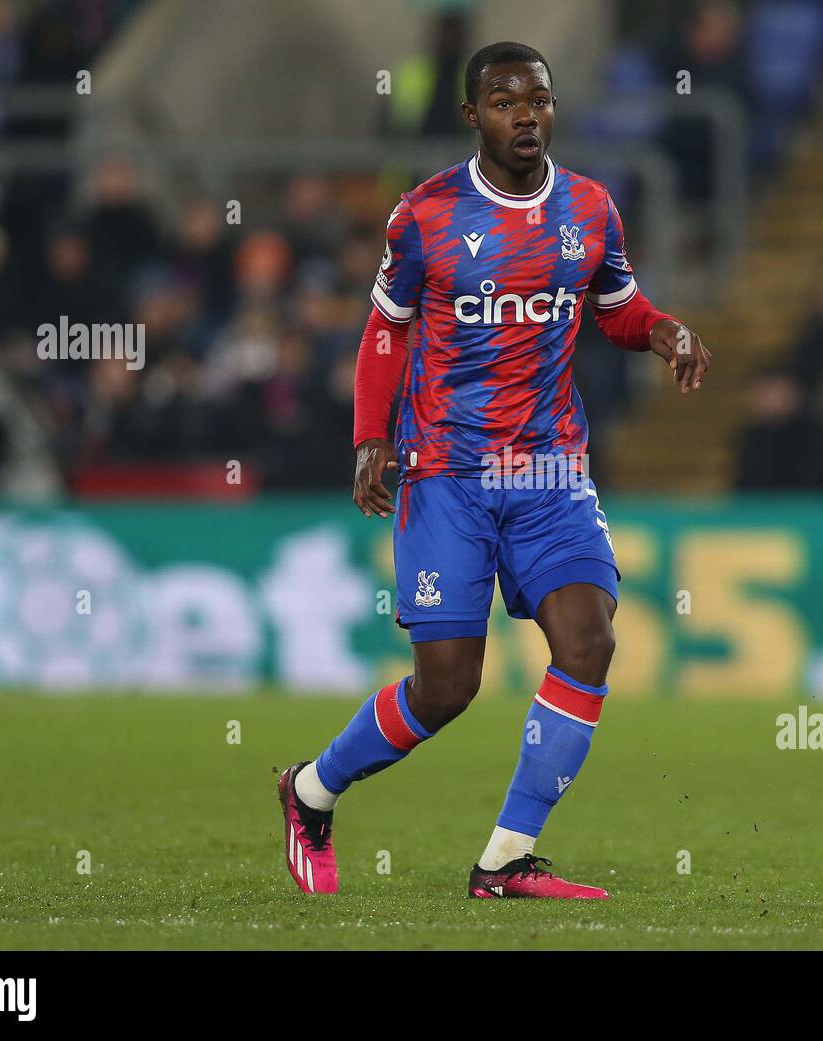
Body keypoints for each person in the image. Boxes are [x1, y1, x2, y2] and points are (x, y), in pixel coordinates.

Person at [278, 41, 711, 899]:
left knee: (589, 641)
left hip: (551, 471)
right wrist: (371, 437)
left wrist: (663, 331)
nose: (527, 116)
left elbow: (617, 307)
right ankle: (310, 789)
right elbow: (385, 329)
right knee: (448, 688)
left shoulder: (590, 208)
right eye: (507, 102)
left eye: (540, 100)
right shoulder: (426, 215)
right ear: (474, 115)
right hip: (448, 474)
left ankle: (506, 858)